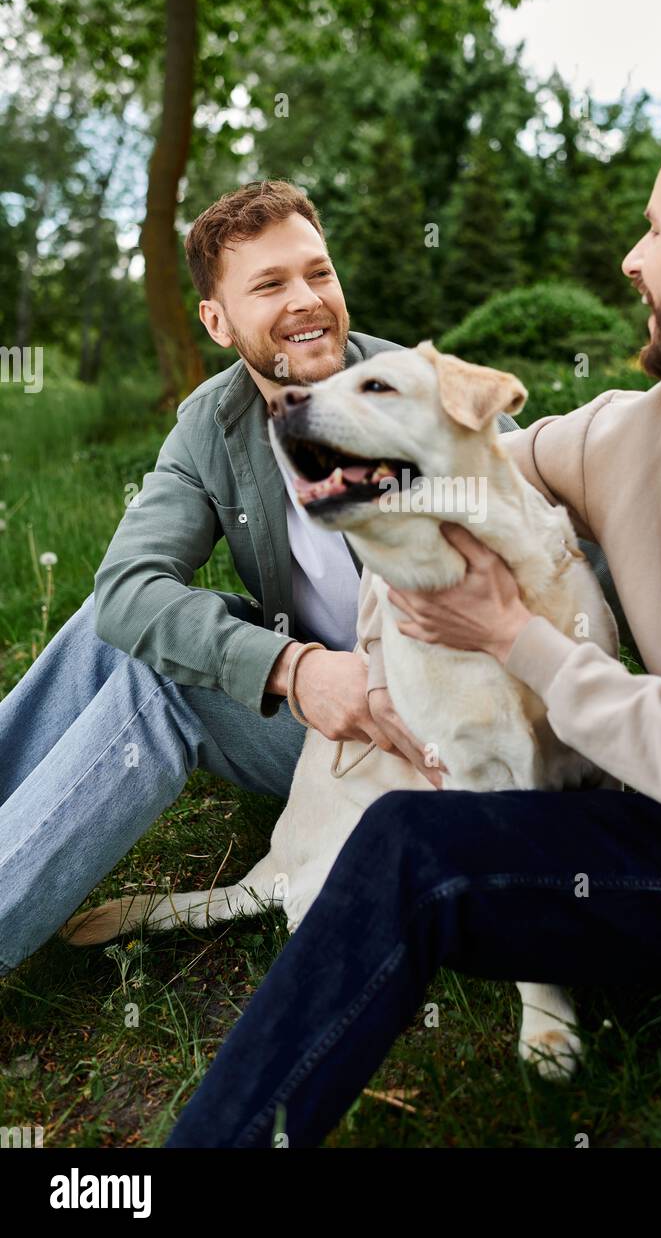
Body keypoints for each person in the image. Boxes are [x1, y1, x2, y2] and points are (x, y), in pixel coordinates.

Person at [166, 98, 661, 1149]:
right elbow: (467, 472)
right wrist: (392, 609)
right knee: (405, 839)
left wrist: (512, 635)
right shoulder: (635, 436)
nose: (630, 260)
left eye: (653, 229)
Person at [0, 180, 527, 975]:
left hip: (456, 740)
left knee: (162, 682)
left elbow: (563, 554)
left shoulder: (428, 390)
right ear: (216, 321)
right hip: (328, 721)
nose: (307, 301)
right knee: (110, 627)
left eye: (318, 273)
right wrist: (295, 667)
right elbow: (126, 589)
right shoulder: (212, 422)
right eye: (271, 284)